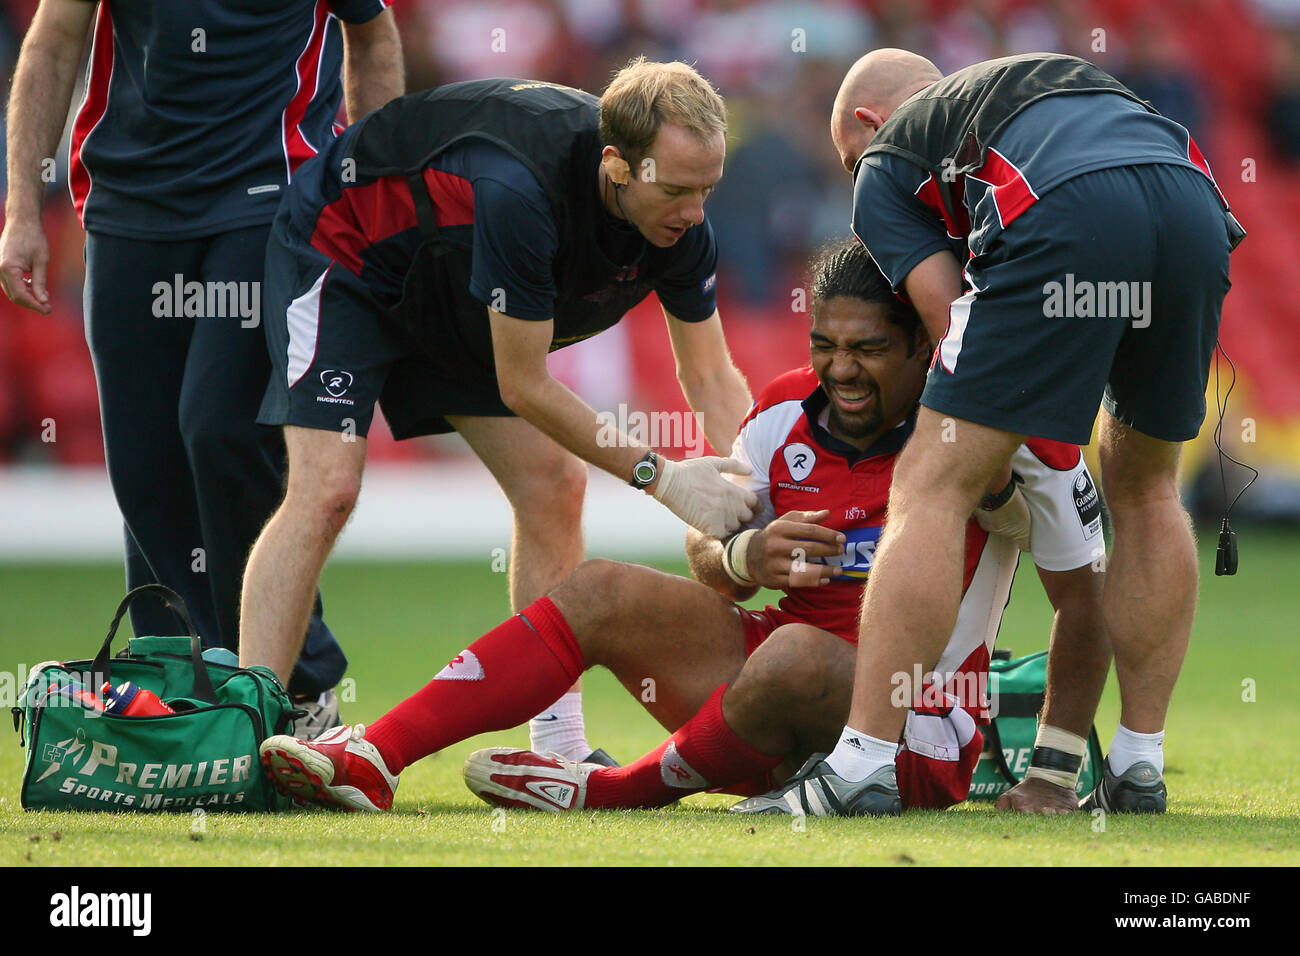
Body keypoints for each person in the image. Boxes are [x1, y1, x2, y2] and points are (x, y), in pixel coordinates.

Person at [255, 241, 1104, 815]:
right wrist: (742, 551)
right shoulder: (780, 414)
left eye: (869, 349)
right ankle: (376, 756)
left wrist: (1056, 770)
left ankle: (610, 791)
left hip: (914, 734)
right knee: (601, 587)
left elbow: (1083, 591)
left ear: (925, 347)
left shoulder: (986, 432)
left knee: (795, 654)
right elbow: (708, 557)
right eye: (826, 345)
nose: (840, 369)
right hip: (761, 698)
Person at [238, 61, 758, 763]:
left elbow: (711, 373)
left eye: (709, 190)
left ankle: (557, 748)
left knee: (553, 485)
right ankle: (242, 732)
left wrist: (764, 490)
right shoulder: (524, 190)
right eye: (675, 191)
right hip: (347, 252)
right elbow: (524, 386)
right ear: (616, 167)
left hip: (452, 278)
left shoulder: (681, 223)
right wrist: (662, 477)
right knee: (327, 490)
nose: (695, 212)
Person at [770, 49, 1241, 816]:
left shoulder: (889, 157)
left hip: (1065, 211)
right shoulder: (1042, 79)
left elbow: (941, 304)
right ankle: (1139, 764)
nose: (859, 179)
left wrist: (985, 466)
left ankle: (860, 765)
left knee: (931, 484)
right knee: (1149, 487)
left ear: (867, 125)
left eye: (849, 161)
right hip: (1193, 202)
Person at [0, 0, 403, 735]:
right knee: (143, 464)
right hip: (127, 202)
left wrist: (380, 198)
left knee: (219, 429)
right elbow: (54, 42)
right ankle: (182, 692)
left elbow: (372, 37)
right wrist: (22, 206)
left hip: (269, 188)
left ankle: (296, 689)